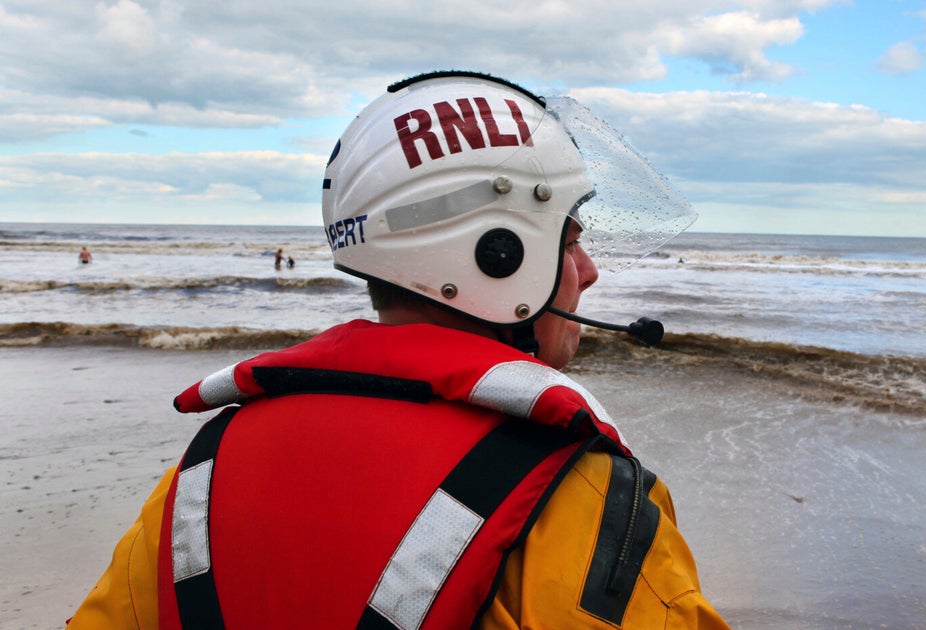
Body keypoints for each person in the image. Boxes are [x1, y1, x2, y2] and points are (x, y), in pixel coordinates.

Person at [66, 71, 727, 629]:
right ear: (497, 256)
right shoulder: (574, 490)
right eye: (568, 240)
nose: (588, 271)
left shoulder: (202, 471)